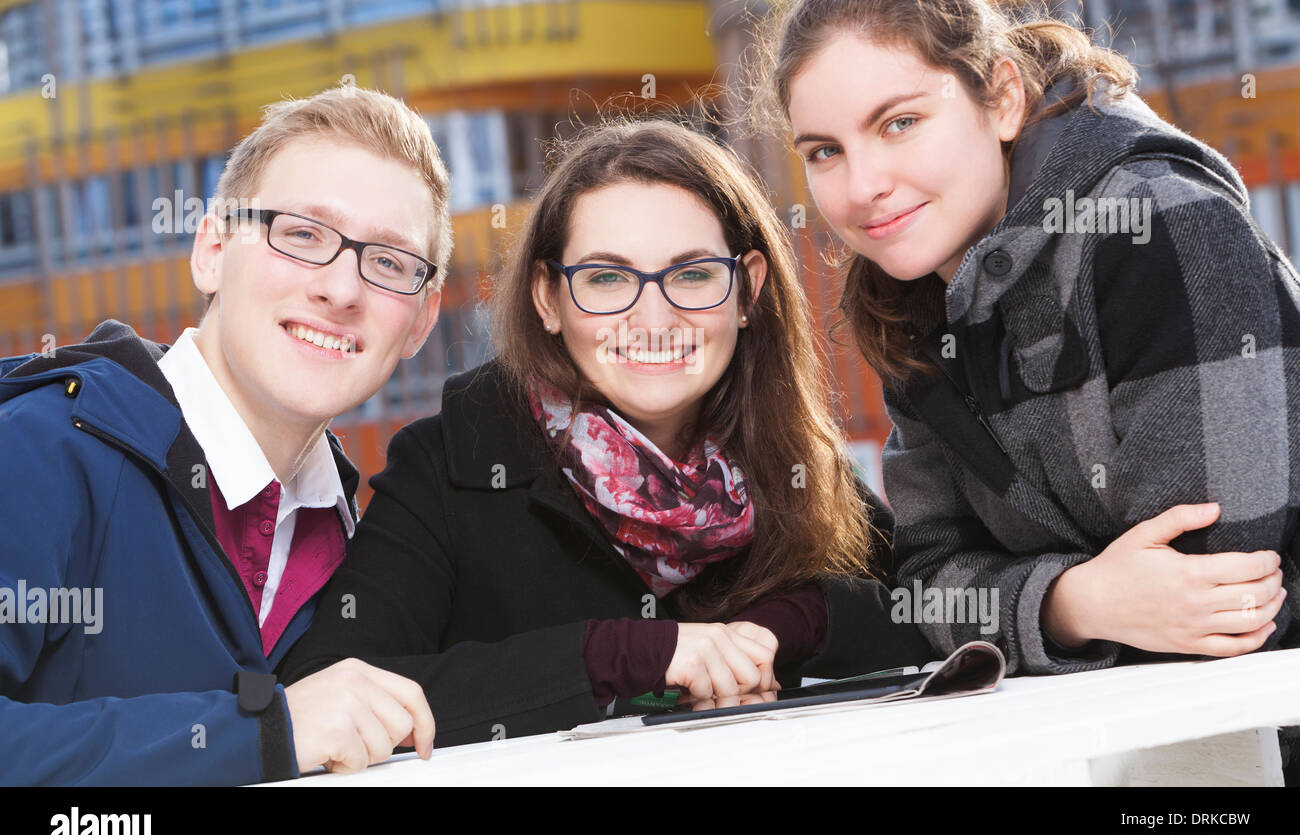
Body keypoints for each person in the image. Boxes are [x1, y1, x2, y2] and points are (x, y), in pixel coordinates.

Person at [279, 118, 934, 747]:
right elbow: (327, 688)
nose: (653, 316)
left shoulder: (791, 456)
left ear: (746, 290)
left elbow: (943, 611)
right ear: (548, 298)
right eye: (606, 278)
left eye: (693, 274)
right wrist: (611, 656)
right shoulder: (453, 458)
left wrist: (805, 617)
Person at [744, 0, 1299, 676]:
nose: (863, 185)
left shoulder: (1155, 222)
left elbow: (1219, 589)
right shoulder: (912, 301)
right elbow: (927, 586)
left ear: (1001, 98)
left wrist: (1020, 601)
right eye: (823, 152)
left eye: (900, 123)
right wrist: (1072, 602)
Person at [0, 86, 446, 784]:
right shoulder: (40, 451)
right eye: (301, 234)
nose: (341, 288)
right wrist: (263, 733)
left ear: (419, 323)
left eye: (389, 262)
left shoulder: (353, 538)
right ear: (211, 250)